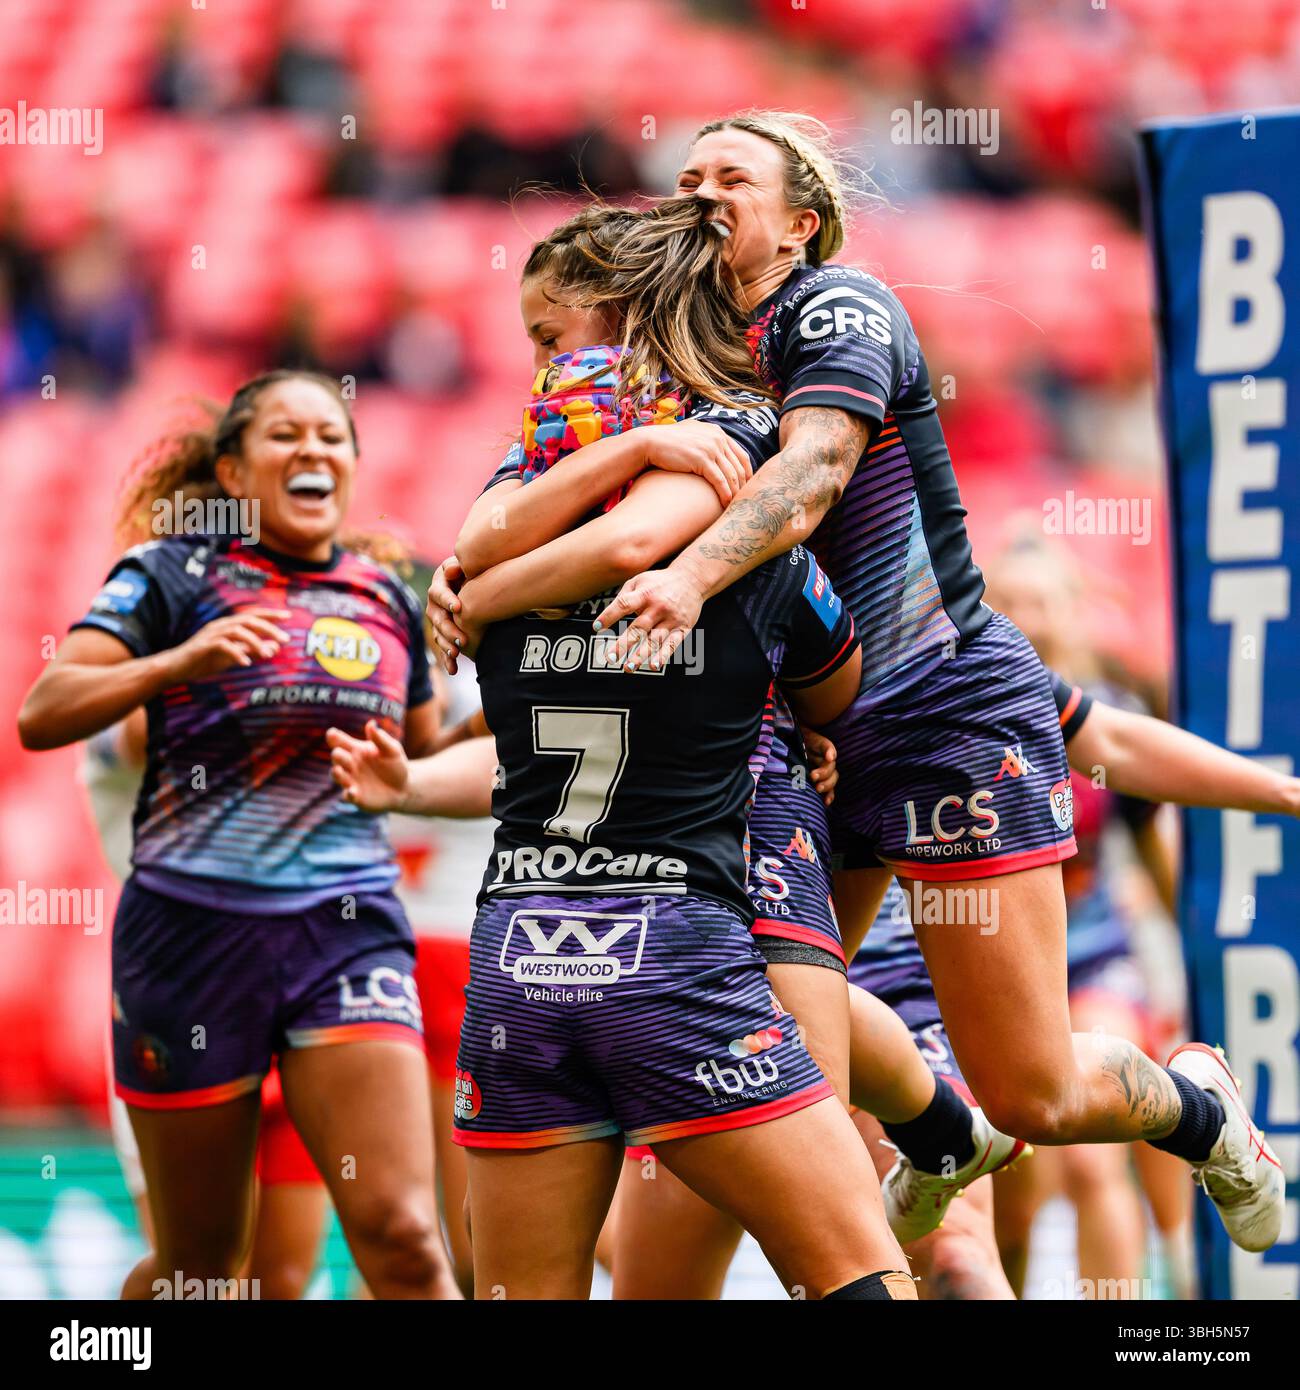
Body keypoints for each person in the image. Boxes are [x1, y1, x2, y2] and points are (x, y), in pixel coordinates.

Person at [429, 110, 1282, 1255]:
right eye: (683, 174)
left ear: (801, 224)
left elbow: (817, 467)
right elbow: (519, 521)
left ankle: (1193, 1102)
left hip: (934, 715)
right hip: (800, 736)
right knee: (781, 1003)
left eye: (731, 174)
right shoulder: (665, 375)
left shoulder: (837, 307)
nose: (697, 186)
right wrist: (466, 574)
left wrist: (681, 577)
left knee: (1027, 1091)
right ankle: (932, 1134)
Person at [333, 203, 913, 1299]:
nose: (540, 367)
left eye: (552, 340)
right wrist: (808, 727)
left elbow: (497, 551)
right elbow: (840, 692)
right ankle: (936, 1121)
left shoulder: (515, 506)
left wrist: (471, 598)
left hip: (520, 956)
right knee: (854, 1274)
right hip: (675, 944)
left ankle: (936, 1120)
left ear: (626, 320)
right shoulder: (745, 476)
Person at [19, 370, 461, 1299]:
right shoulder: (170, 578)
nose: (314, 452)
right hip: (191, 942)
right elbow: (43, 711)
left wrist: (515, 725)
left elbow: (424, 750)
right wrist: (178, 663)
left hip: (346, 934)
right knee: (208, 1275)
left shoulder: (384, 593)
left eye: (333, 436)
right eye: (285, 436)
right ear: (229, 470)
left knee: (406, 1238)